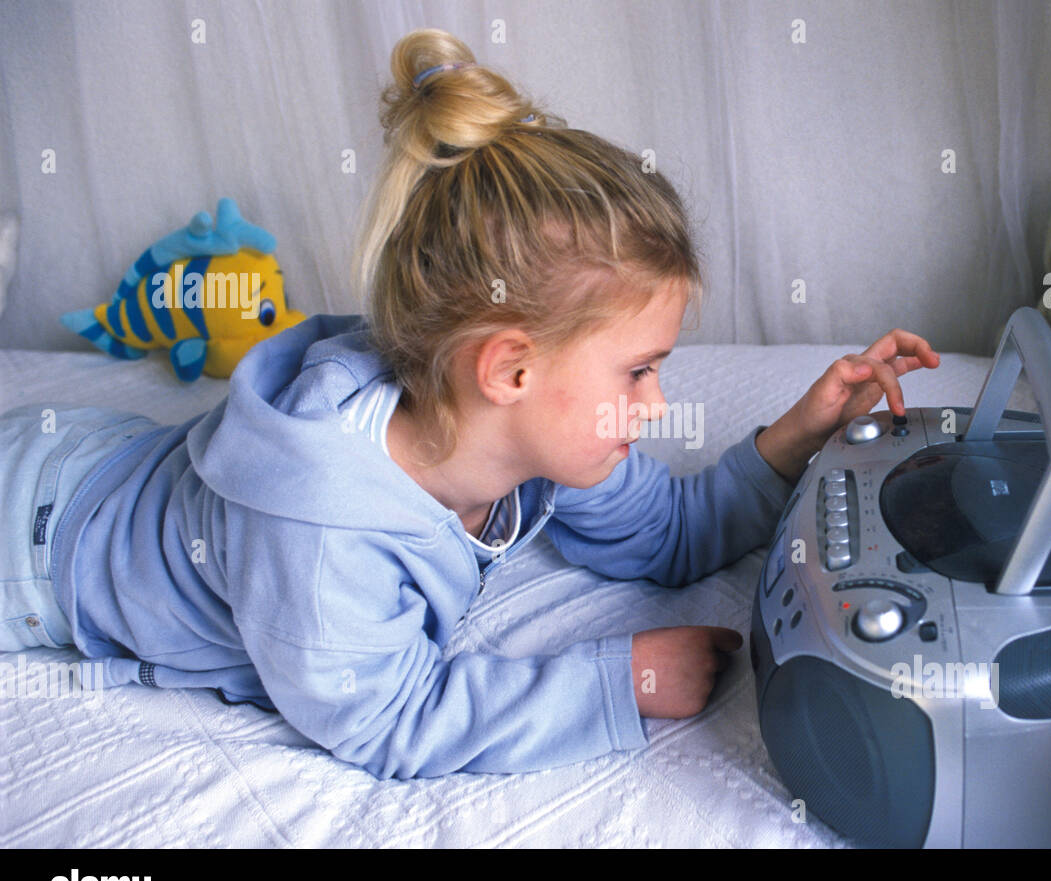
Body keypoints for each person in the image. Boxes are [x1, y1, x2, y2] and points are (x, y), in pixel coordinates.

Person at [0, 28, 938, 779]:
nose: (653, 405)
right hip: (36, 546)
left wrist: (799, 432)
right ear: (509, 370)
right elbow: (391, 721)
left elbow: (667, 534)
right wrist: (625, 679)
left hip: (111, 456)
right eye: (636, 371)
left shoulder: (533, 446)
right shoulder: (325, 535)